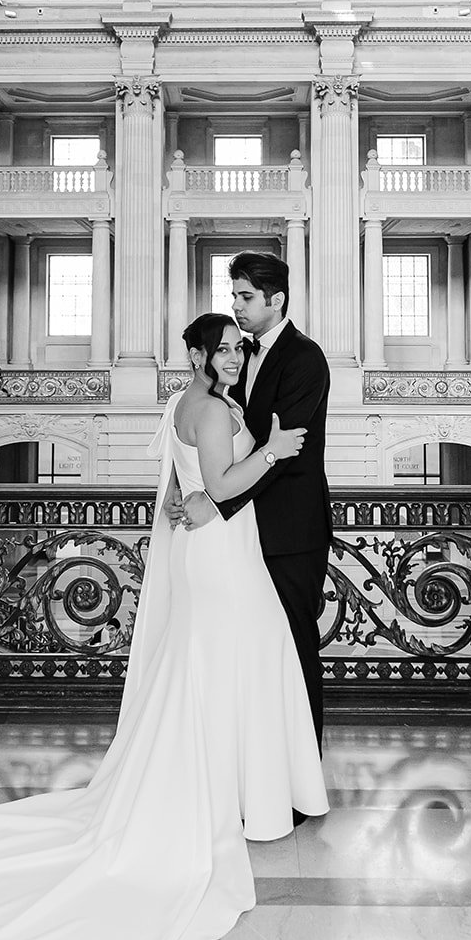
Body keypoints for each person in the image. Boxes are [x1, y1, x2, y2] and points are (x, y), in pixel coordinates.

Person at [0, 312, 327, 940]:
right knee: (228, 665)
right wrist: (270, 451)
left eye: (239, 349)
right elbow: (217, 486)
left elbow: (192, 491)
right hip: (218, 558)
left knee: (214, 669)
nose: (235, 358)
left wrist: (219, 481)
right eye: (225, 349)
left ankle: (229, 791)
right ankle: (222, 800)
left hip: (208, 553)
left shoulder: (197, 402)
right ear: (195, 353)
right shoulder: (210, 410)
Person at [179, 251, 333, 751]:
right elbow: (224, 438)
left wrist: (215, 503)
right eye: (234, 296)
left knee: (294, 650)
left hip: (291, 533)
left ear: (277, 299)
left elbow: (285, 452)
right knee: (256, 657)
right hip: (244, 533)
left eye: (246, 297)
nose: (237, 306)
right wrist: (186, 492)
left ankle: (302, 773)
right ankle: (257, 766)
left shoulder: (306, 358)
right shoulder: (239, 356)